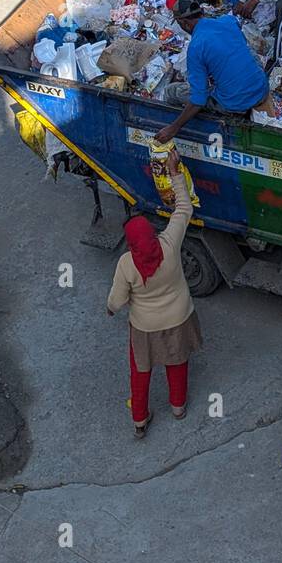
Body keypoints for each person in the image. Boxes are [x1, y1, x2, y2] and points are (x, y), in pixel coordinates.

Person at [107, 150, 202, 438]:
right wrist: (174, 173)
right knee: (177, 362)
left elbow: (118, 300)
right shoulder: (170, 244)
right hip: (179, 318)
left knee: (141, 371)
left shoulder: (127, 263)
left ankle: (139, 420)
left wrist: (110, 309)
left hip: (145, 327)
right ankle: (178, 407)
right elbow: (184, 209)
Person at [155, 0, 272, 144]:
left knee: (172, 91)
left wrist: (174, 128)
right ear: (202, 13)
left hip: (237, 104)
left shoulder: (196, 46)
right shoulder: (228, 21)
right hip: (262, 90)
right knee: (250, 54)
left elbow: (198, 99)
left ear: (184, 23)